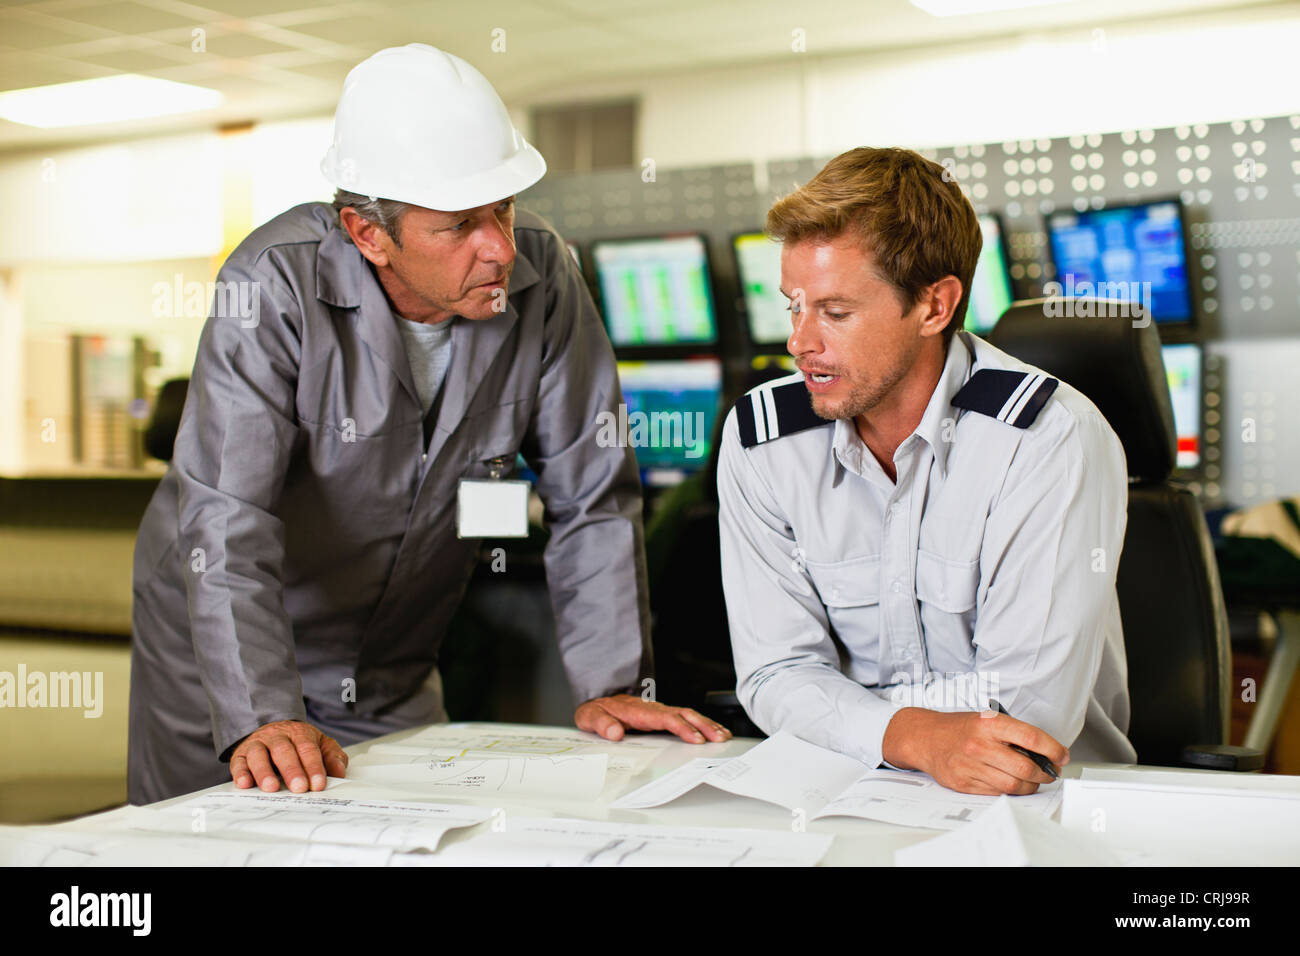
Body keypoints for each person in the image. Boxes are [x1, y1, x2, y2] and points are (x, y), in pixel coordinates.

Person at [128, 43, 727, 806]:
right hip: (223, 642)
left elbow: (593, 493)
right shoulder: (272, 284)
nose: (501, 248)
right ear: (368, 233)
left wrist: (611, 683)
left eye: (504, 210)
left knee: (414, 832)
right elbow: (227, 515)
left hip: (392, 646)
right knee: (210, 838)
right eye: (462, 225)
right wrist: (263, 712)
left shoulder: (543, 277)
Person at [717, 147, 1137, 797]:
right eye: (794, 306)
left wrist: (861, 722)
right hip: (852, 792)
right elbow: (775, 673)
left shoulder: (1049, 439)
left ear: (935, 306)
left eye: (835, 312)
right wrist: (908, 735)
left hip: (1047, 802)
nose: (800, 341)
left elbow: (1026, 716)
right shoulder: (763, 440)